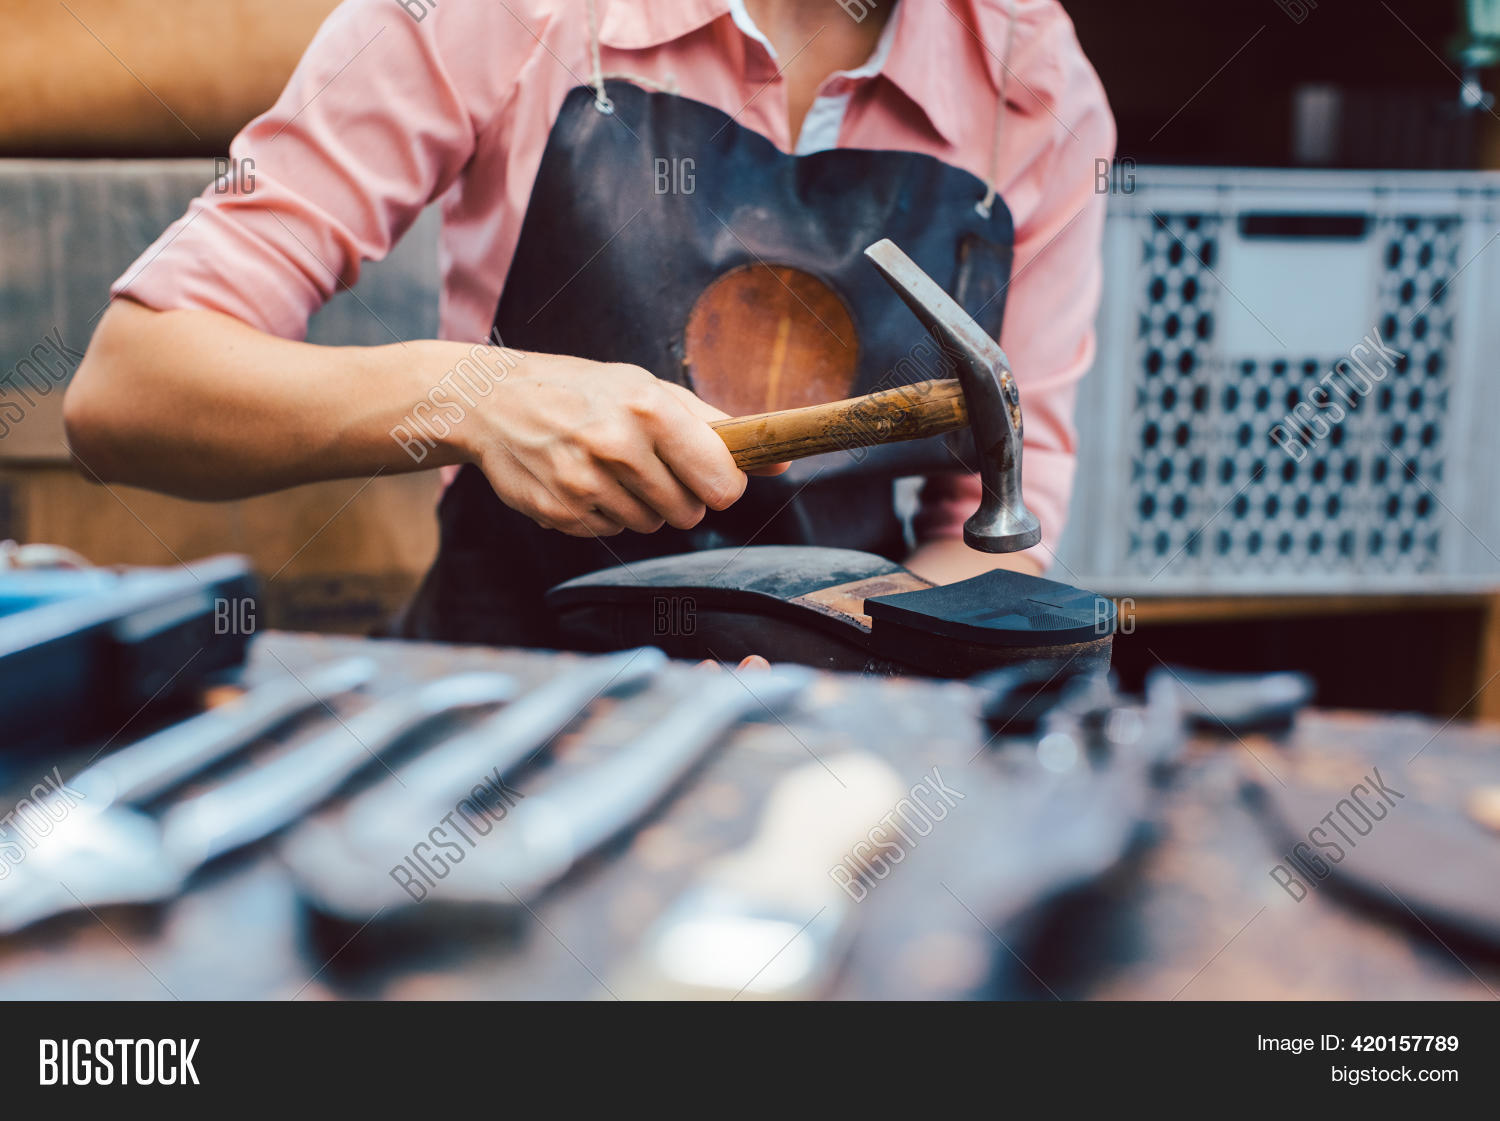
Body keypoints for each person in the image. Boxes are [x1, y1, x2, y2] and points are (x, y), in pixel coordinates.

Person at [64, 0, 1114, 651]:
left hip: (836, 711)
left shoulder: (1033, 80)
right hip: (507, 687)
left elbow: (989, 537)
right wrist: (475, 393)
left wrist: (857, 659)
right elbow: (129, 390)